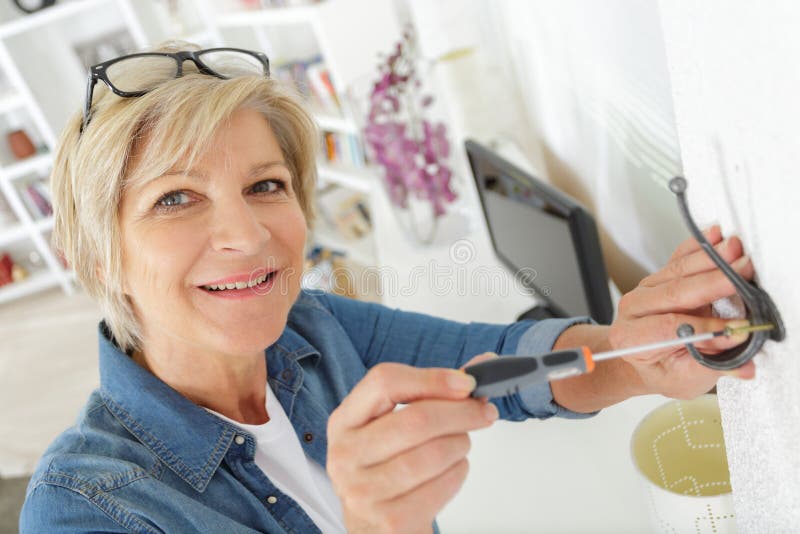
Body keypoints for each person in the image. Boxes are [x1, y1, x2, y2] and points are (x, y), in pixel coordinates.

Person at [19, 42, 755, 533]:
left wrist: (630, 353)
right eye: (175, 199)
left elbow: (502, 363)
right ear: (99, 257)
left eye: (266, 184)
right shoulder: (83, 506)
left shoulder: (313, 330)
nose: (246, 236)